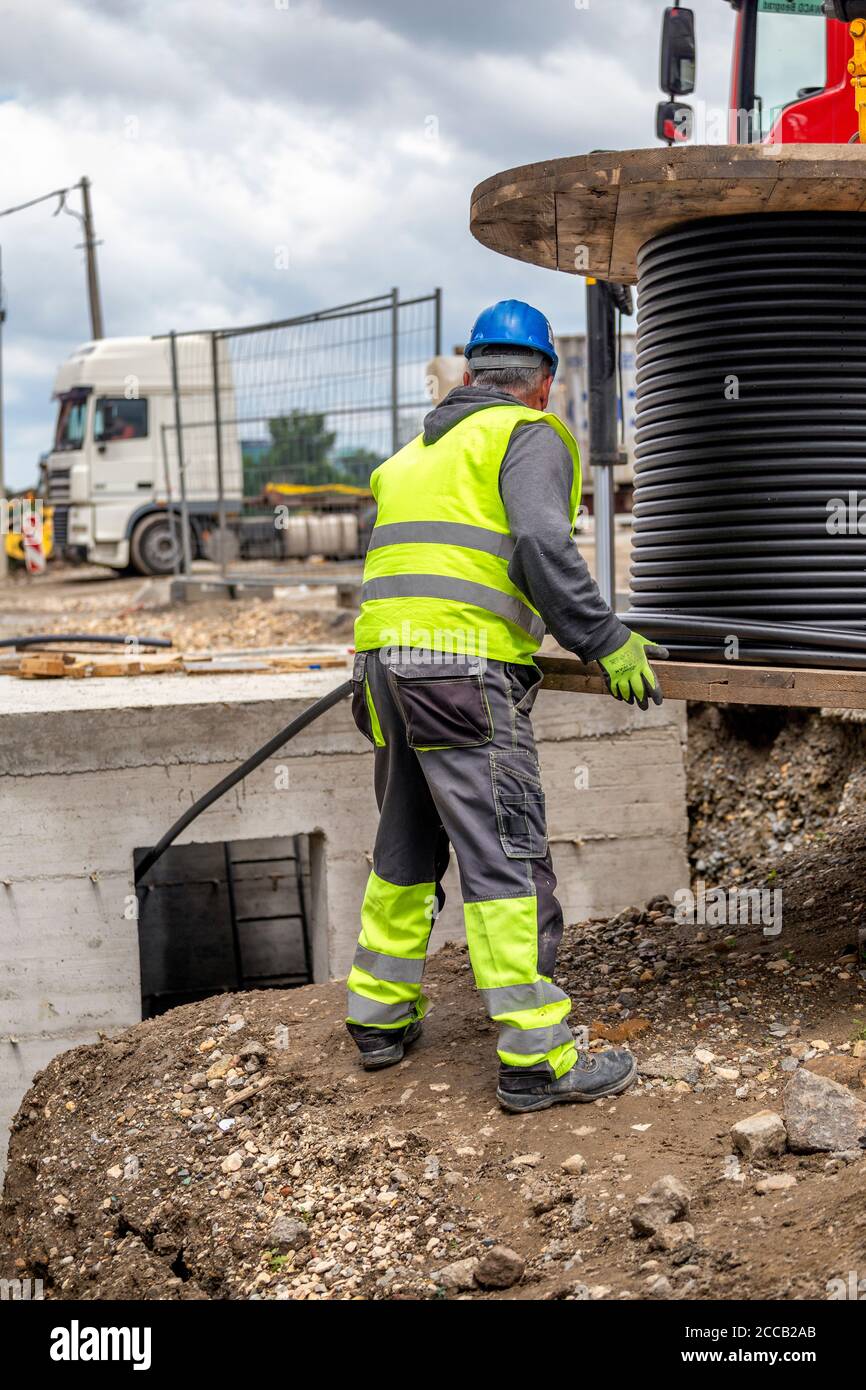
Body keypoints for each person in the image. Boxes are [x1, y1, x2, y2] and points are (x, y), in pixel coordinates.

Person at [345, 299, 665, 1113]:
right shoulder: (527, 435)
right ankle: (536, 1059)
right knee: (507, 854)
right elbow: (537, 543)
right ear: (543, 384)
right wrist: (603, 636)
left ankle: (377, 1019)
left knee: (405, 842)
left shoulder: (410, 454)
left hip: (383, 668)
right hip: (460, 673)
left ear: (471, 369)